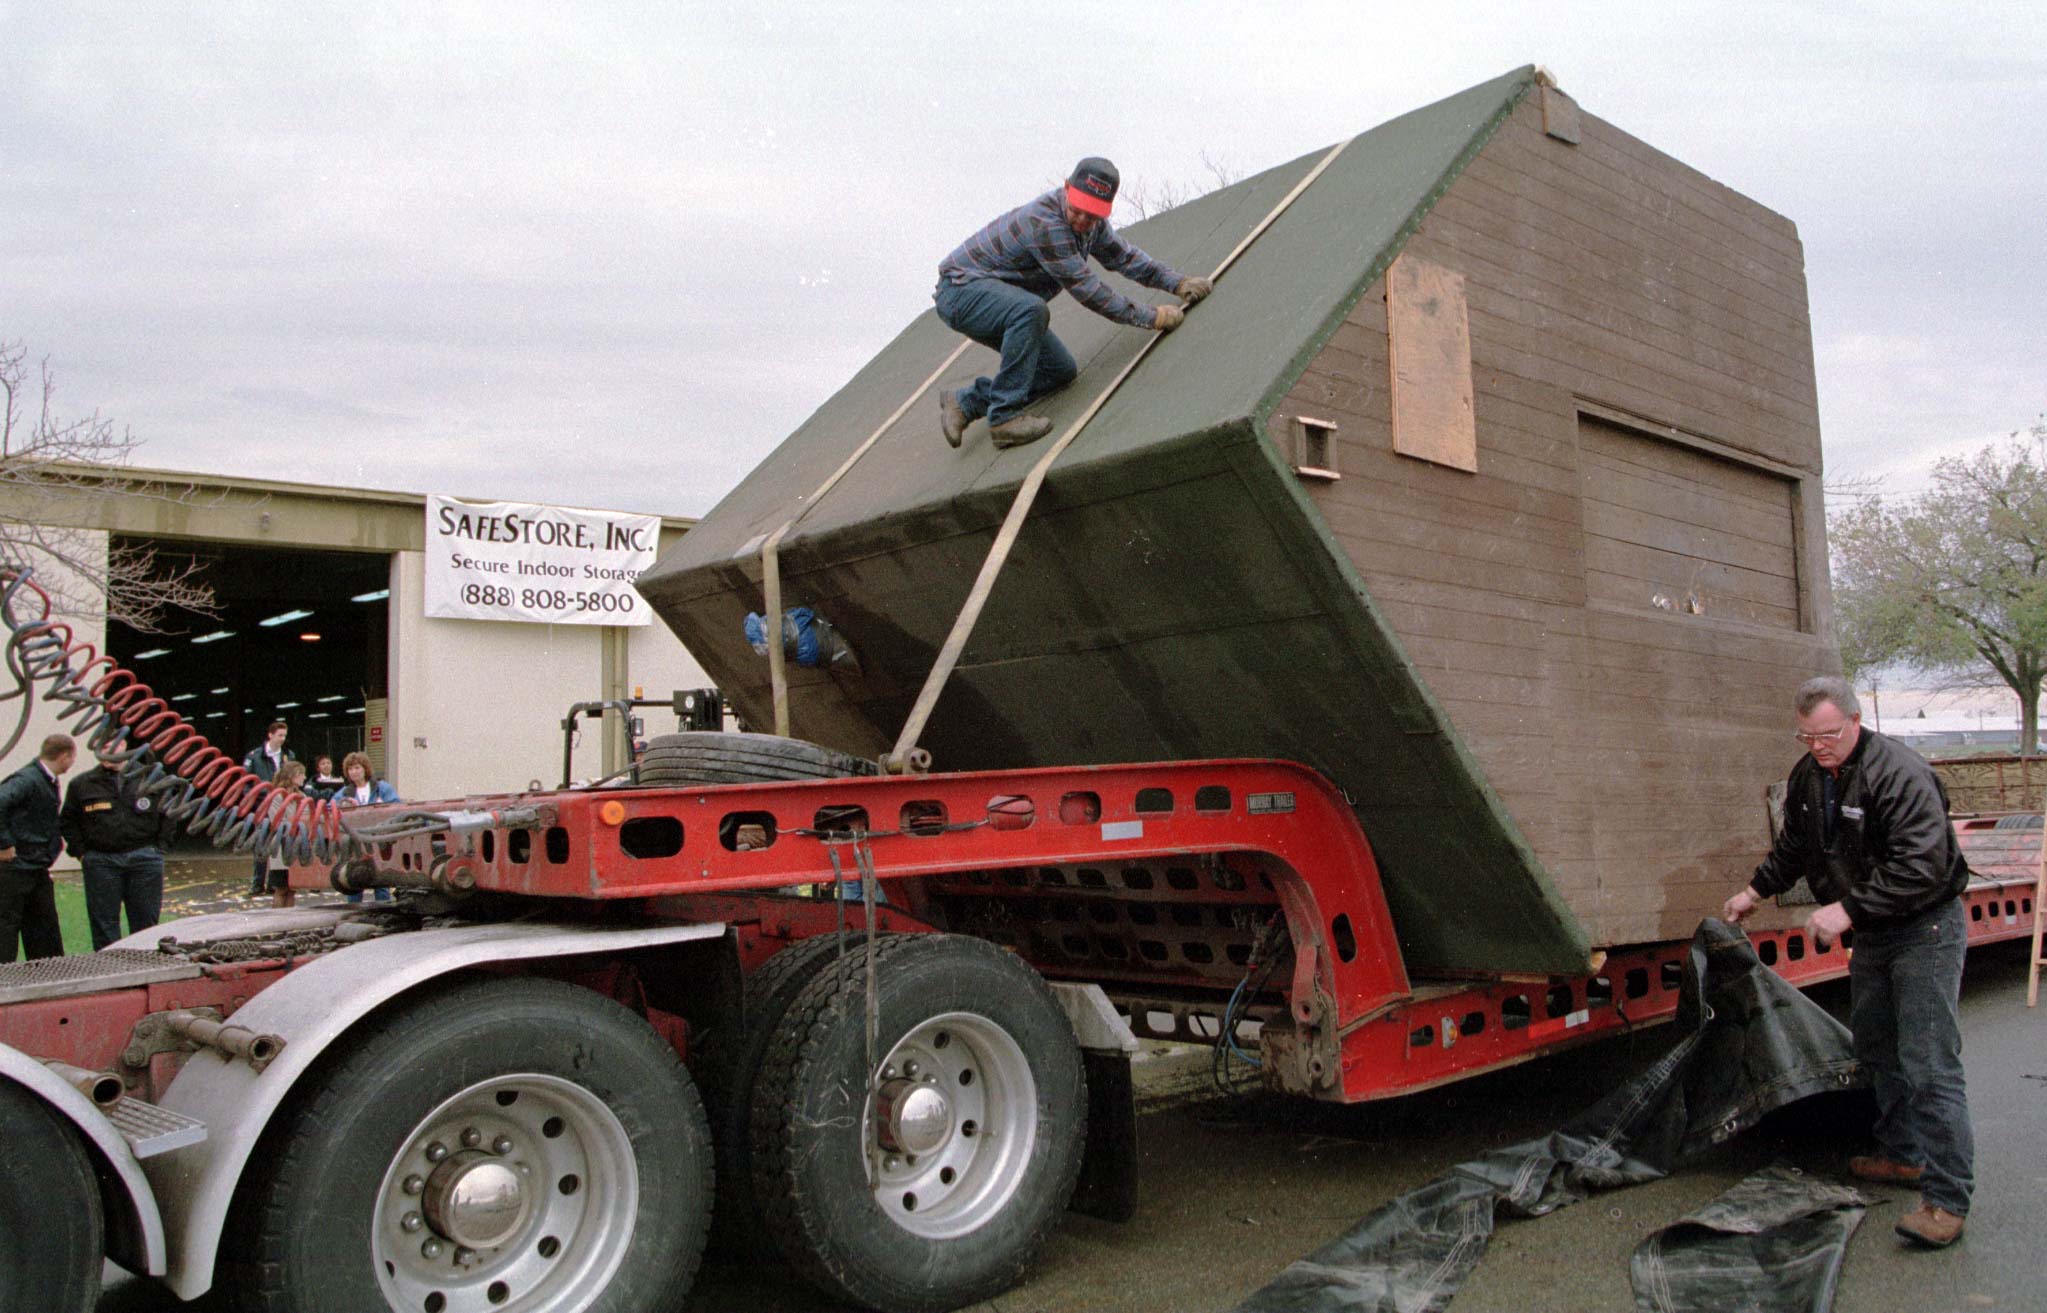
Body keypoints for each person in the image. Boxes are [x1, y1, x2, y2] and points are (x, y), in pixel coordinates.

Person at [1722, 675, 1973, 1248]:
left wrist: (1846, 909)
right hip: (1876, 933)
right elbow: (1795, 845)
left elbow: (1923, 865)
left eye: (1829, 734)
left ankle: (1947, 1199)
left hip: (1925, 928)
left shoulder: (1900, 774)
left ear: (1856, 721)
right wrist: (1754, 891)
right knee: (1877, 1046)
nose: (1818, 746)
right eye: (1806, 736)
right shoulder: (1810, 776)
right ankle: (1903, 1154)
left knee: (1929, 1061)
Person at [934, 157, 1211, 450]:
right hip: (961, 292)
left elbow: (1124, 258)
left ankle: (965, 402)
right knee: (1030, 310)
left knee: (1059, 371)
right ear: (1067, 188)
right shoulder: (1045, 224)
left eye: (1091, 216)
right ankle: (1003, 419)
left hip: (997, 300)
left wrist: (1178, 283)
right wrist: (1151, 317)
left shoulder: (1093, 225)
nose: (1082, 221)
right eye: (1077, 210)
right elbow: (1089, 291)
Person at [60, 745, 175, 950]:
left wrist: (160, 847)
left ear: (124, 746)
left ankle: (145, 968)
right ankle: (110, 971)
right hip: (102, 861)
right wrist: (82, 853)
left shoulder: (152, 779)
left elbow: (171, 813)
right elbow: (68, 822)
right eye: (102, 747)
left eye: (111, 745)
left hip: (144, 858)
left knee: (145, 921)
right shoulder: (83, 783)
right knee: (104, 922)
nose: (107, 751)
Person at [0, 733, 77, 961]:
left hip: (35, 866)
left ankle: (47, 976)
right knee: (6, 927)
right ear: (64, 757)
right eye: (73, 758)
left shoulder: (46, 780)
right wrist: (4, 843)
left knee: (44, 928)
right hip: (15, 868)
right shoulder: (27, 779)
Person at [331, 752, 399, 904]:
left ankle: (384, 910)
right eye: (350, 769)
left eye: (357, 768)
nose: (354, 772)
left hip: (377, 838)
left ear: (365, 769)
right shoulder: (344, 792)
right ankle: (353, 912)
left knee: (381, 877)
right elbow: (331, 808)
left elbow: (396, 806)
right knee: (354, 876)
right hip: (355, 840)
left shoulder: (382, 788)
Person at [241, 720, 293, 897]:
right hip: (262, 804)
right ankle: (257, 883)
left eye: (284, 736)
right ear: (270, 735)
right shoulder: (254, 757)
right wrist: (252, 802)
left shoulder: (288, 756)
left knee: (279, 842)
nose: (282, 739)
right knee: (261, 843)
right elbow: (246, 782)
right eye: (279, 735)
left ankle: (274, 883)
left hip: (282, 804)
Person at [263, 760, 317, 909]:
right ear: (293, 776)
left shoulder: (302, 795)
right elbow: (277, 820)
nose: (304, 777)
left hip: (297, 845)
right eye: (301, 774)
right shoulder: (278, 796)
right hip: (281, 846)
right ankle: (276, 922)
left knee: (292, 888)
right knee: (281, 888)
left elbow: (307, 818)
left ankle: (288, 922)